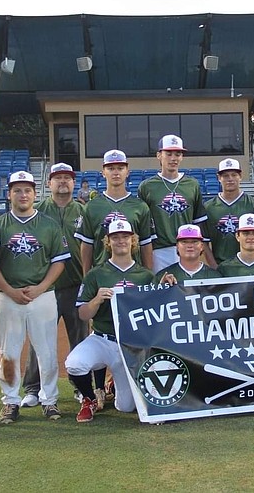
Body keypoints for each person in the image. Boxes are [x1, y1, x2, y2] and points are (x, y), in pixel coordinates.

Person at [0, 171, 70, 424]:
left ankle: (49, 400)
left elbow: (59, 263)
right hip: (8, 296)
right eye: (17, 190)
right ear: (9, 194)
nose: (22, 195)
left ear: (36, 194)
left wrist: (40, 287)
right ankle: (10, 401)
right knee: (8, 351)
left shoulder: (48, 224)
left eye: (27, 190)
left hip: (42, 296)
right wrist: (10, 290)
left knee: (47, 351)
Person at [76, 150, 155, 406]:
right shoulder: (94, 205)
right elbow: (86, 246)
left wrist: (150, 276)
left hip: (132, 273)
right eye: (111, 167)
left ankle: (119, 383)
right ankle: (98, 388)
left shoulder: (139, 206)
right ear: (104, 172)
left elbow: (145, 246)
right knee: (101, 329)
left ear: (127, 171)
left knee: (132, 332)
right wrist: (88, 279)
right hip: (103, 275)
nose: (116, 171)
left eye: (120, 167)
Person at [66, 219, 154, 423]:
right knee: (74, 364)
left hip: (130, 344)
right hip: (103, 338)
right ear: (108, 242)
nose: (121, 241)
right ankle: (88, 398)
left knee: (126, 407)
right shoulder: (96, 274)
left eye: (125, 237)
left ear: (133, 241)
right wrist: (96, 300)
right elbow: (83, 314)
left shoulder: (146, 276)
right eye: (115, 237)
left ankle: (112, 384)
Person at [20, 163, 87, 408]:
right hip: (45, 287)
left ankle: (81, 386)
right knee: (39, 340)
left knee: (80, 340)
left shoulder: (83, 211)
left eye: (67, 178)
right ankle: (32, 388)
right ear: (48, 184)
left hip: (76, 284)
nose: (62, 182)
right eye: (57, 178)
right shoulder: (37, 212)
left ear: (74, 183)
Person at [137, 135, 208, 272]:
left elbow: (199, 223)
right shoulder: (147, 186)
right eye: (168, 154)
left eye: (178, 154)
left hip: (188, 248)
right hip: (159, 251)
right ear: (159, 155)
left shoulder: (192, 184)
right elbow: (143, 227)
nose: (173, 158)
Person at [204, 158, 254, 266]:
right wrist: (214, 267)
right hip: (220, 265)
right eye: (225, 176)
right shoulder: (208, 207)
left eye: (234, 175)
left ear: (240, 176)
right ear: (219, 178)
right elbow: (205, 243)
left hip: (248, 265)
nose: (230, 179)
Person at [156, 224, 222, 286]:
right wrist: (161, 287)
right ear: (177, 247)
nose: (190, 246)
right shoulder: (162, 276)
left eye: (194, 242)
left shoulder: (214, 276)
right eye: (184, 242)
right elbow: (151, 297)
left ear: (202, 246)